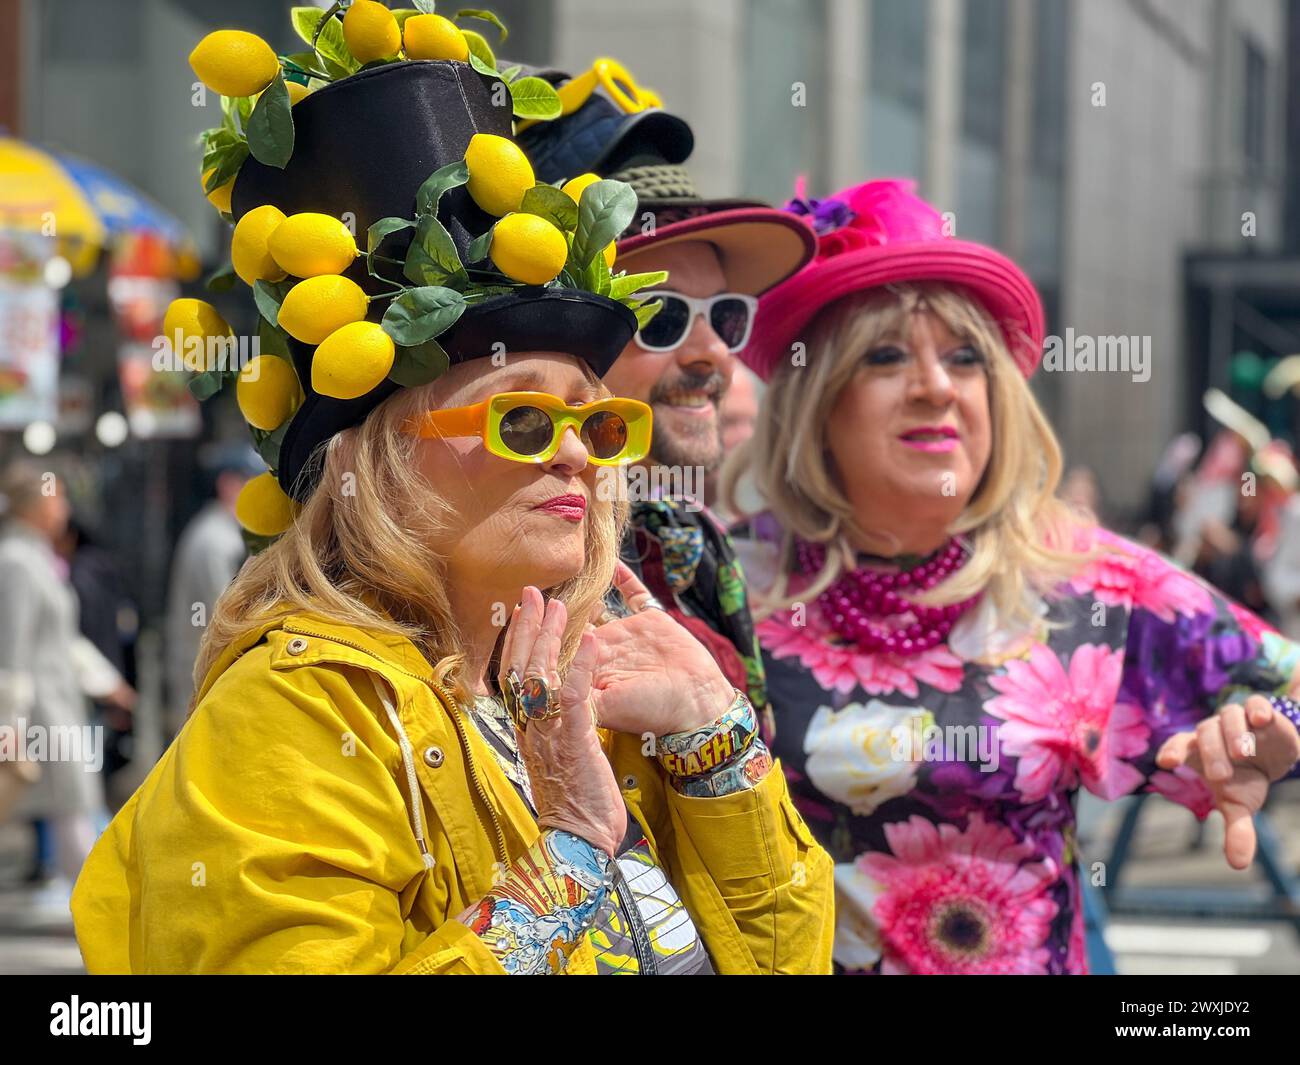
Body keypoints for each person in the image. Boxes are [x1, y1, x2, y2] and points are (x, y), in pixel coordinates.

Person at [71, 52, 832, 975]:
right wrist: (570, 856)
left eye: (595, 419)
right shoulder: (297, 711)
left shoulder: (606, 678)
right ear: (370, 460)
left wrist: (717, 743)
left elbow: (786, 959)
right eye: (522, 418)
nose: (578, 453)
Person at [722, 178, 1300, 975]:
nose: (937, 386)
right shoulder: (719, 584)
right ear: (816, 402)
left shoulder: (1085, 584)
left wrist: (1265, 737)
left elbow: (1290, 695)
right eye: (886, 355)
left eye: (966, 357)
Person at [520, 57, 817, 735]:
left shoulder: (690, 540)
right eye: (662, 314)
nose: (713, 352)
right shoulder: (505, 561)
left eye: (728, 315)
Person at [0, 462, 131, 893]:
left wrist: (105, 681)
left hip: (56, 708)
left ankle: (98, 912)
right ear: (32, 505)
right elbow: (11, 650)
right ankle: (102, 914)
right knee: (75, 809)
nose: (64, 509)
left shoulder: (36, 557)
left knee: (74, 810)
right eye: (58, 498)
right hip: (41, 713)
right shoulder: (18, 562)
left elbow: (62, 639)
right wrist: (9, 723)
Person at [163, 444, 257, 741]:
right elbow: (228, 615)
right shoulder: (214, 540)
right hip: (201, 673)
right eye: (250, 481)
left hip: (206, 671)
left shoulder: (223, 532)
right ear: (228, 484)